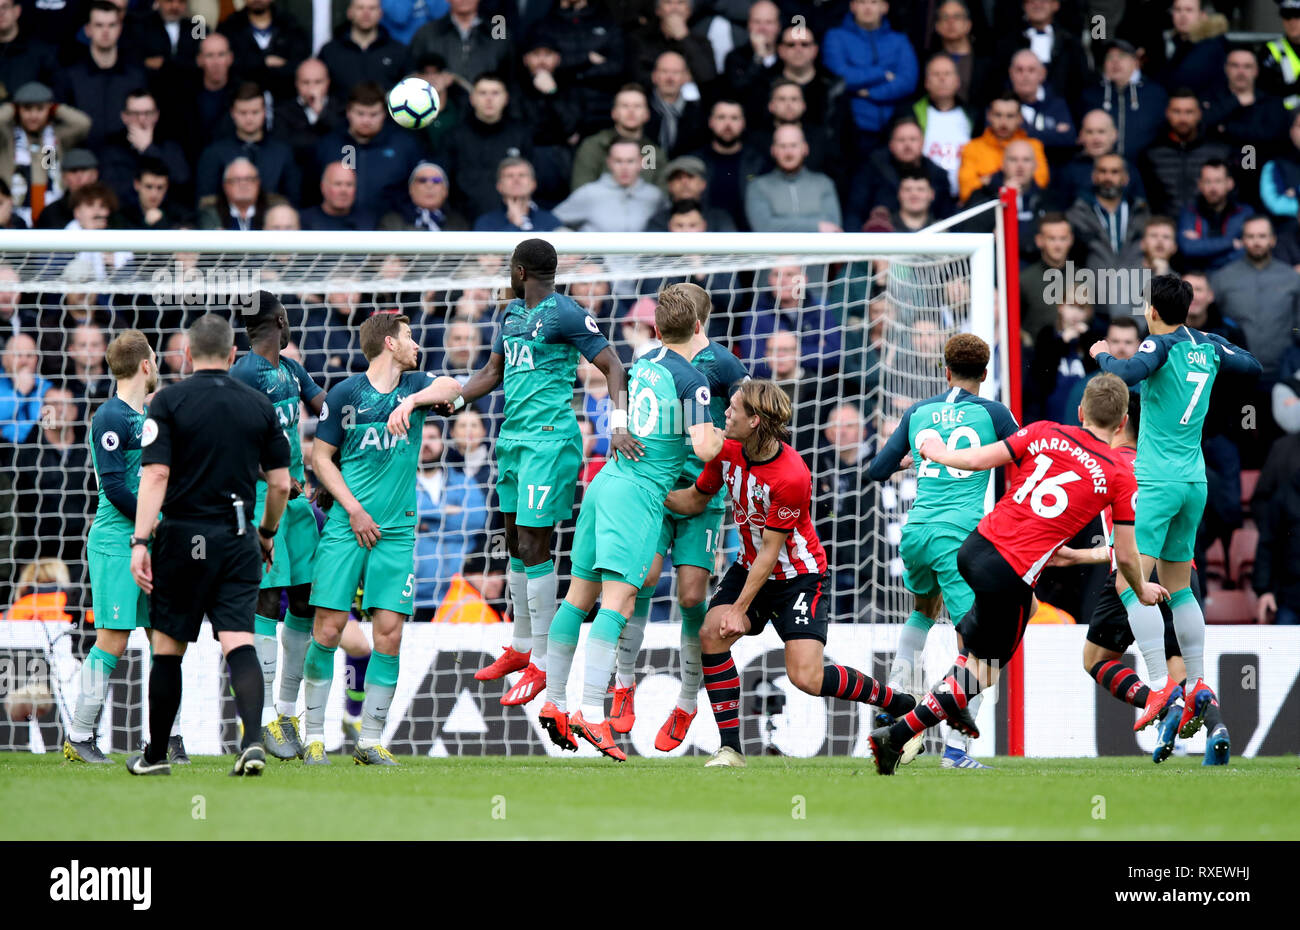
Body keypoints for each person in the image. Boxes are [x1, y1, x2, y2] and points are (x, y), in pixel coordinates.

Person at [869, 375, 1169, 774]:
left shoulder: (1044, 431)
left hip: (976, 546)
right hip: (1010, 571)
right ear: (1122, 423)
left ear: (1080, 412)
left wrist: (937, 452)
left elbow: (977, 460)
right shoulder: (1118, 473)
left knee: (999, 632)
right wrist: (1142, 587)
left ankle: (944, 700)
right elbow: (1129, 556)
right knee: (984, 669)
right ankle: (904, 733)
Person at [388, 239, 634, 710]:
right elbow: (491, 371)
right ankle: (521, 647)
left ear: (520, 270)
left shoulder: (566, 313)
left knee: (535, 542)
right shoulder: (511, 315)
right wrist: (456, 401)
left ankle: (542, 658)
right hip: (513, 439)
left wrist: (615, 428)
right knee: (515, 543)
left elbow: (614, 366)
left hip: (549, 439)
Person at [666, 379, 914, 768]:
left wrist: (739, 609)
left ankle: (897, 703)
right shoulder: (724, 450)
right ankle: (730, 749)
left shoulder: (792, 475)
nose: (725, 413)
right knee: (710, 634)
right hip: (750, 567)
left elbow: (771, 550)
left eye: (733, 409)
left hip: (798, 576)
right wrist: (648, 492)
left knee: (807, 678)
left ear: (755, 421)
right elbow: (696, 498)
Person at [537, 284, 719, 761]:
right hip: (639, 496)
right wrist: (725, 430)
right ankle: (592, 714)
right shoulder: (690, 378)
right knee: (617, 603)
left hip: (603, 483)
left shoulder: (641, 363)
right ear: (698, 327)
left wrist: (620, 425)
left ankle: (555, 702)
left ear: (658, 328)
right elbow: (704, 448)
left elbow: (613, 381)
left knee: (578, 597)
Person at [1090, 274, 1261, 740]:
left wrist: (1102, 354)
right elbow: (1253, 366)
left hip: (1156, 480)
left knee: (1132, 584)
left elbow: (1122, 375)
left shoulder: (1158, 346)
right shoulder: (1205, 345)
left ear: (1152, 311)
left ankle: (1161, 685)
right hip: (1194, 481)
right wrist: (1213, 355)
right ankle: (1198, 679)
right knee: (1179, 588)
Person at [125, 313, 292, 776]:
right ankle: (253, 743)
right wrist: (266, 533)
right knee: (238, 642)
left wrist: (140, 540)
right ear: (234, 353)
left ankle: (157, 755)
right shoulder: (259, 405)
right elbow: (280, 483)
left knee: (168, 648)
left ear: (187, 355)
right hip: (238, 537)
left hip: (182, 536)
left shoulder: (168, 402)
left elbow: (155, 474)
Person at [297, 312, 460, 766]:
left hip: (396, 533)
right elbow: (321, 457)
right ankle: (313, 736)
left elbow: (454, 387)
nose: (415, 344)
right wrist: (353, 509)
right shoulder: (347, 393)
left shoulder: (414, 387)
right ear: (389, 343)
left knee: (389, 635)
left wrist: (412, 404)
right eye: (408, 337)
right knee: (327, 629)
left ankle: (369, 740)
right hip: (348, 528)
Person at [864, 334, 1019, 768]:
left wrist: (915, 458)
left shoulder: (918, 412)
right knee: (981, 647)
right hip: (959, 537)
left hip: (916, 532)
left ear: (944, 370)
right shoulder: (995, 413)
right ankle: (956, 749)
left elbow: (876, 470)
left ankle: (894, 699)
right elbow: (1027, 459)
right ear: (985, 375)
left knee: (923, 611)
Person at [1049, 393, 1228, 765]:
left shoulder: (1107, 465)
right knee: (1181, 666)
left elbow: (1123, 545)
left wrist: (1069, 553)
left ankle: (1161, 706)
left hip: (1134, 576)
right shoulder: (1157, 466)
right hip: (1181, 576)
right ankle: (1216, 728)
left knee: (1095, 659)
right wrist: (1084, 556)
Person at [608, 283, 749, 750]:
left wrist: (728, 457)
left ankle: (688, 702)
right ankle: (623, 682)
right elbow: (626, 397)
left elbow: (755, 419)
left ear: (696, 320)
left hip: (701, 496)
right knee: (642, 577)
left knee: (691, 597)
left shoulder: (724, 365)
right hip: (654, 487)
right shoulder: (651, 360)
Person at [62, 331, 188, 764]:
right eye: (156, 359)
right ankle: (78, 735)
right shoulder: (110, 417)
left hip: (150, 541)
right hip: (118, 542)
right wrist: (154, 522)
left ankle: (166, 738)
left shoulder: (151, 414)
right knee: (113, 638)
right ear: (146, 366)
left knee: (164, 639)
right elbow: (114, 485)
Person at [228, 291, 328, 761]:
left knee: (307, 598)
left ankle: (287, 710)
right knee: (267, 599)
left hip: (298, 503)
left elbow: (325, 408)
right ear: (279, 320)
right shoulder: (245, 373)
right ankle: (265, 718)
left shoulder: (290, 368)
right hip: (262, 501)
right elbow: (232, 435)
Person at [823, 0, 918, 158]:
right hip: (850, 130)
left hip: (892, 128)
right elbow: (840, 75)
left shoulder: (899, 40)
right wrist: (882, 74)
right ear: (852, 6)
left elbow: (908, 82)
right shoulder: (836, 37)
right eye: (862, 2)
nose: (867, 7)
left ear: (884, 7)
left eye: (874, 2)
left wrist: (870, 92)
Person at [553, 138, 668, 232]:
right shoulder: (589, 193)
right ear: (609, 162)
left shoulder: (654, 196)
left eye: (630, 161)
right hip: (597, 260)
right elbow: (552, 222)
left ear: (641, 162)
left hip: (645, 260)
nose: (624, 168)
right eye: (618, 161)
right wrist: (575, 250)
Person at [744, 124, 841, 232]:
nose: (788, 152)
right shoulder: (758, 186)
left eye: (793, 145)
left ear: (805, 148)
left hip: (817, 249)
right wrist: (816, 226)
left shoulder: (824, 183)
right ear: (773, 151)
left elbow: (832, 227)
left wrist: (781, 223)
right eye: (782, 146)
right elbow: (764, 227)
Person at [1177, 158, 1252, 271]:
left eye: (1218, 181)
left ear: (1230, 183)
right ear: (1200, 185)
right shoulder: (1189, 213)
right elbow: (1188, 248)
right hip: (1197, 277)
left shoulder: (1244, 213)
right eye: (1207, 181)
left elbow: (1246, 251)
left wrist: (1203, 248)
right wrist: (1230, 243)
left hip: (1234, 275)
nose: (1213, 188)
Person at [472, 157, 561, 232]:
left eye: (522, 175)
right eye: (509, 176)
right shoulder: (486, 222)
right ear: (499, 186)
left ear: (533, 184)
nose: (516, 180)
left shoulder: (550, 221)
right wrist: (514, 224)